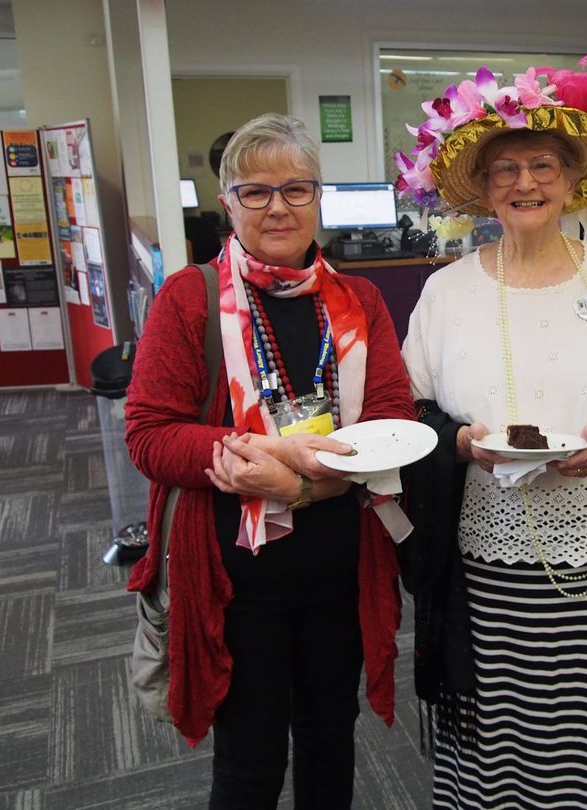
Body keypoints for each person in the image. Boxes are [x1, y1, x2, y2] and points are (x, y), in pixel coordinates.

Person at [395, 56, 587, 809]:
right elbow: (404, 417)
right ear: (484, 189)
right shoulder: (445, 291)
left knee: (586, 740)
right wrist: (461, 445)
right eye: (506, 170)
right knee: (495, 741)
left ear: (568, 180)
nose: (525, 183)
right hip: (481, 567)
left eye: (542, 165)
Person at [125, 112, 414, 808]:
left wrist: (300, 483)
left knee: (327, 741)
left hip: (337, 573)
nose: (278, 206)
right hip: (233, 583)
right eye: (256, 192)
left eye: (296, 189)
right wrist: (262, 451)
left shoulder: (359, 300)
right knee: (249, 762)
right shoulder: (188, 298)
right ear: (227, 204)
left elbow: (393, 423)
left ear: (319, 198)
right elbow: (150, 433)